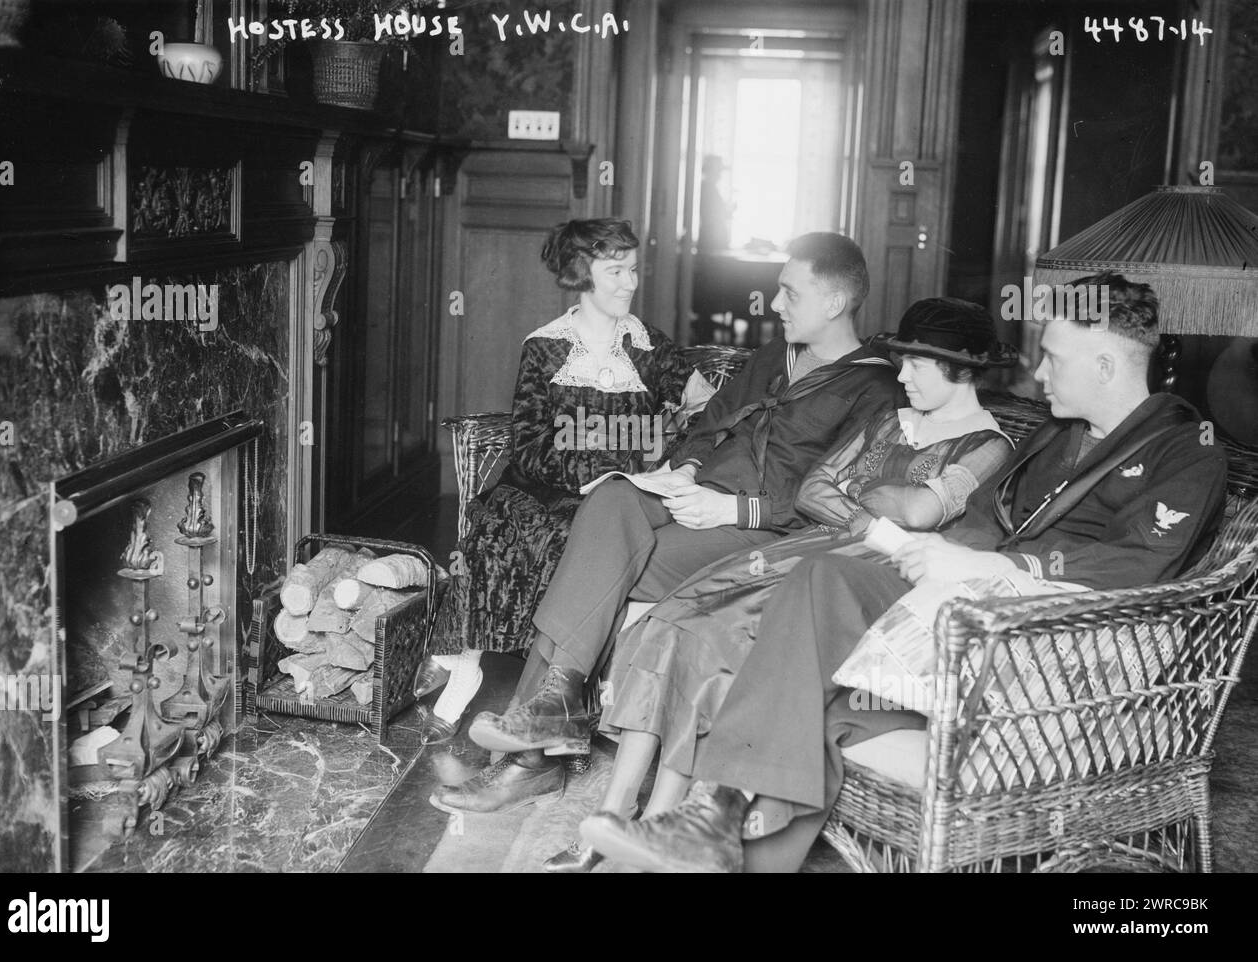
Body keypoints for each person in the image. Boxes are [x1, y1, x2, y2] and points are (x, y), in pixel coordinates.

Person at [584, 271, 1231, 872]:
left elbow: (1143, 559)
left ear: (1107, 363)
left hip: (1039, 624)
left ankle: (718, 830)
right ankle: (715, 822)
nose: (1038, 374)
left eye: (1054, 359)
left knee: (822, 695)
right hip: (967, 596)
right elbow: (987, 511)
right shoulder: (1060, 433)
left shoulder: (1186, 449)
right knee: (821, 580)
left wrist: (993, 563)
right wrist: (935, 550)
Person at [430, 232, 905, 816]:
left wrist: (734, 509)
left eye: (789, 292)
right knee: (609, 500)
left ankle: (536, 752)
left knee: (607, 564)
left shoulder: (877, 388)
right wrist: (683, 471)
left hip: (763, 531)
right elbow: (707, 426)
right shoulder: (767, 358)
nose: (774, 304)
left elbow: (840, 497)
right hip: (693, 496)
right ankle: (549, 717)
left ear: (833, 303)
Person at [542, 298, 1017, 871]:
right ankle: (619, 815)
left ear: (962, 371)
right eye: (901, 360)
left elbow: (919, 511)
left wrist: (862, 506)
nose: (903, 374)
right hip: (805, 544)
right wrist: (876, 508)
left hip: (863, 572)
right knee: (673, 620)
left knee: (718, 639)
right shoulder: (891, 420)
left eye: (918, 364)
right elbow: (812, 489)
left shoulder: (990, 445)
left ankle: (662, 825)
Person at [417, 218, 696, 743]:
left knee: (567, 537)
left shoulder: (649, 346)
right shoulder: (546, 346)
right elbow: (529, 440)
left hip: (621, 491)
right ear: (580, 273)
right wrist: (586, 471)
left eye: (633, 269)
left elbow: (705, 406)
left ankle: (556, 699)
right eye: (615, 271)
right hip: (544, 478)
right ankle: (466, 660)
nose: (630, 283)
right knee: (499, 521)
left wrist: (662, 451)